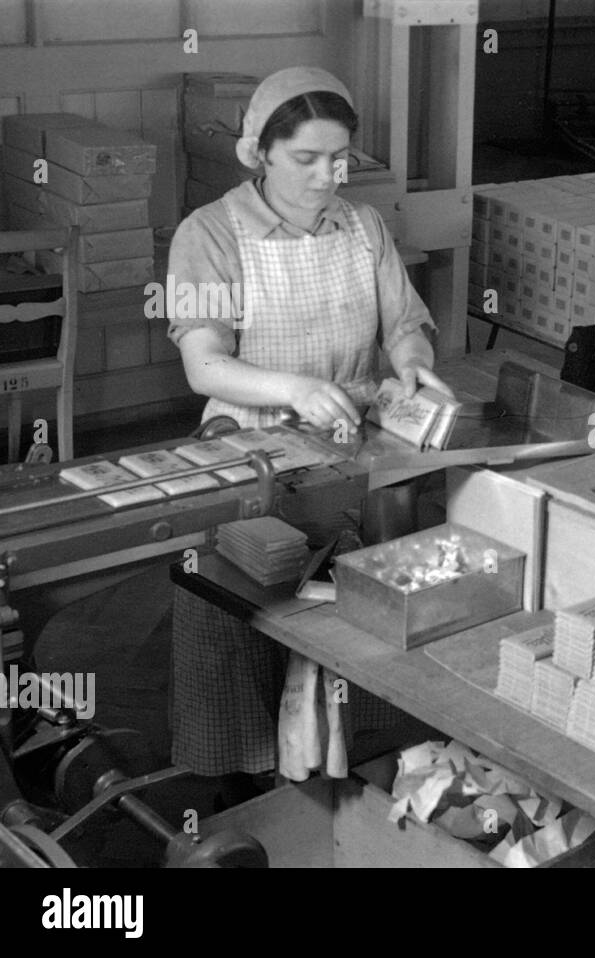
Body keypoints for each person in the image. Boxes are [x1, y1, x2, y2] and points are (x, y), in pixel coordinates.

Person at [165, 67, 447, 800]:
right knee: (237, 604)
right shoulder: (209, 234)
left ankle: (357, 760)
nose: (330, 176)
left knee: (362, 597)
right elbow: (205, 365)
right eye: (308, 159)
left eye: (340, 157)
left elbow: (407, 324)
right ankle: (238, 781)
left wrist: (413, 365)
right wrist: (295, 390)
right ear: (258, 152)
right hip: (246, 448)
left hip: (352, 447)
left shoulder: (363, 227)